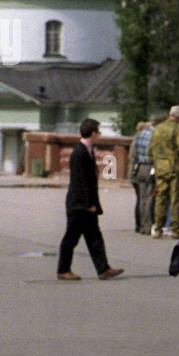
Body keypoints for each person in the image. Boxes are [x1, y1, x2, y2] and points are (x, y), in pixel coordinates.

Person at [56, 119, 123, 281]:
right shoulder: (80, 152)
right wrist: (89, 205)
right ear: (93, 133)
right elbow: (81, 181)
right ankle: (63, 269)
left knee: (94, 237)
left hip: (84, 204)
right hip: (80, 205)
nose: (99, 135)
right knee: (71, 238)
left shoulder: (86, 150)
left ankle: (103, 269)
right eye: (98, 132)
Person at [149, 104, 179, 237]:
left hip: (160, 168)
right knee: (176, 199)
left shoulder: (157, 128)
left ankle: (157, 228)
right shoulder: (177, 128)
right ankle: (175, 229)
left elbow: (150, 150)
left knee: (160, 198)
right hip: (175, 168)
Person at [128, 121, 154, 234]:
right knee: (149, 198)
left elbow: (133, 155)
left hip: (139, 168)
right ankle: (148, 226)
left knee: (141, 198)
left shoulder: (139, 137)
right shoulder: (154, 136)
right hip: (150, 167)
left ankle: (141, 226)